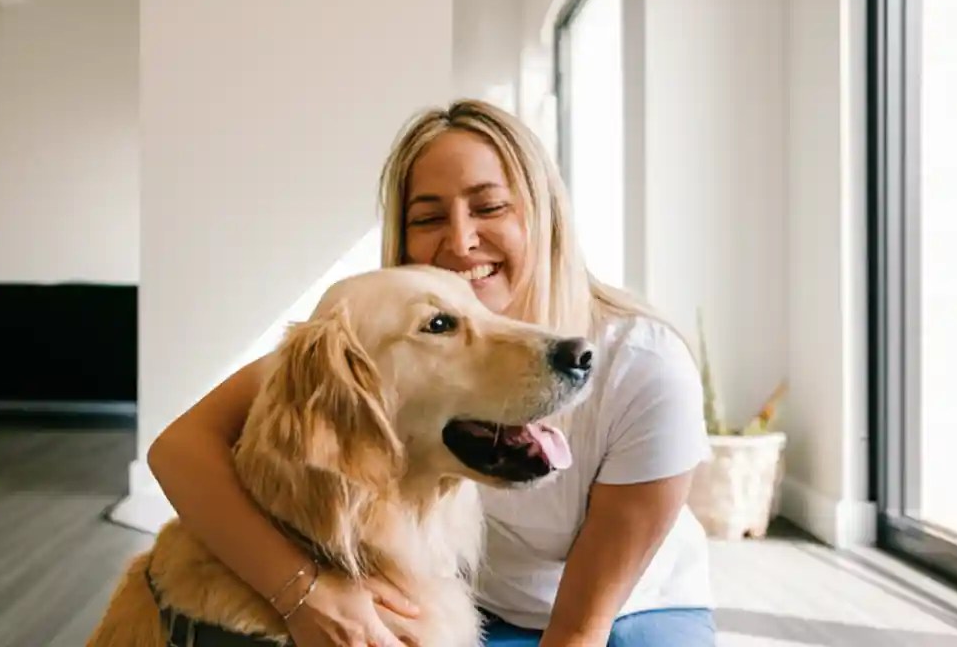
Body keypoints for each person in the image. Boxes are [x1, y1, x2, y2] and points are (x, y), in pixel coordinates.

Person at [147, 98, 716, 647]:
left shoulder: (644, 367)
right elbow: (178, 448)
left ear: (544, 217)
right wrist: (305, 594)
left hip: (629, 612)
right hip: (463, 602)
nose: (461, 239)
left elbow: (577, 633)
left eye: (490, 207)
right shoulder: (376, 341)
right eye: (428, 217)